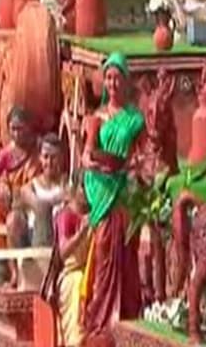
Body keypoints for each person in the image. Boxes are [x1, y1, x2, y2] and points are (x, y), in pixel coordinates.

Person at [79, 52, 146, 340]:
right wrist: (90, 162)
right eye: (108, 77)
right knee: (104, 253)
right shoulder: (97, 118)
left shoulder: (135, 120)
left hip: (123, 192)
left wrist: (133, 170)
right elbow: (86, 153)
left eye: (118, 77)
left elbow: (142, 156)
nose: (113, 83)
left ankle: (127, 316)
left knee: (126, 255)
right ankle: (100, 320)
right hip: (101, 190)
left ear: (126, 81)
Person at [0, 106, 41, 252]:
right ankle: (2, 258)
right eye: (13, 129)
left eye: (20, 128)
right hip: (12, 202)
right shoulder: (7, 154)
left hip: (34, 201)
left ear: (28, 128)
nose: (16, 134)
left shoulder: (39, 149)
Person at [50, 183, 90, 347]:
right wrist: (81, 233)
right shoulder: (66, 215)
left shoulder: (94, 212)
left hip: (91, 269)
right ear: (76, 190)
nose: (87, 193)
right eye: (84, 188)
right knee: (77, 282)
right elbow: (63, 252)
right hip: (71, 274)